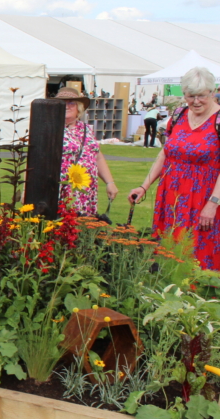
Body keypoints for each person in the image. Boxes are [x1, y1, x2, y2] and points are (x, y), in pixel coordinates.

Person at [129, 67, 220, 270]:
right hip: (171, 194)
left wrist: (213, 204)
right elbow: (165, 153)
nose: (196, 101)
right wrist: (144, 186)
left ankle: (201, 296)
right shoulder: (179, 114)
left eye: (202, 96)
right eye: (190, 96)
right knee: (168, 245)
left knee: (198, 249)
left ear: (212, 93)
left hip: (204, 197)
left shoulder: (218, 120)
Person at [55, 87, 118, 216]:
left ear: (79, 107)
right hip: (63, 189)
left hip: (86, 189)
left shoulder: (86, 129)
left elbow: (97, 157)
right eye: (62, 103)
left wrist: (110, 182)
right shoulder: (51, 128)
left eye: (71, 102)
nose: (67, 106)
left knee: (83, 226)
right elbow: (36, 160)